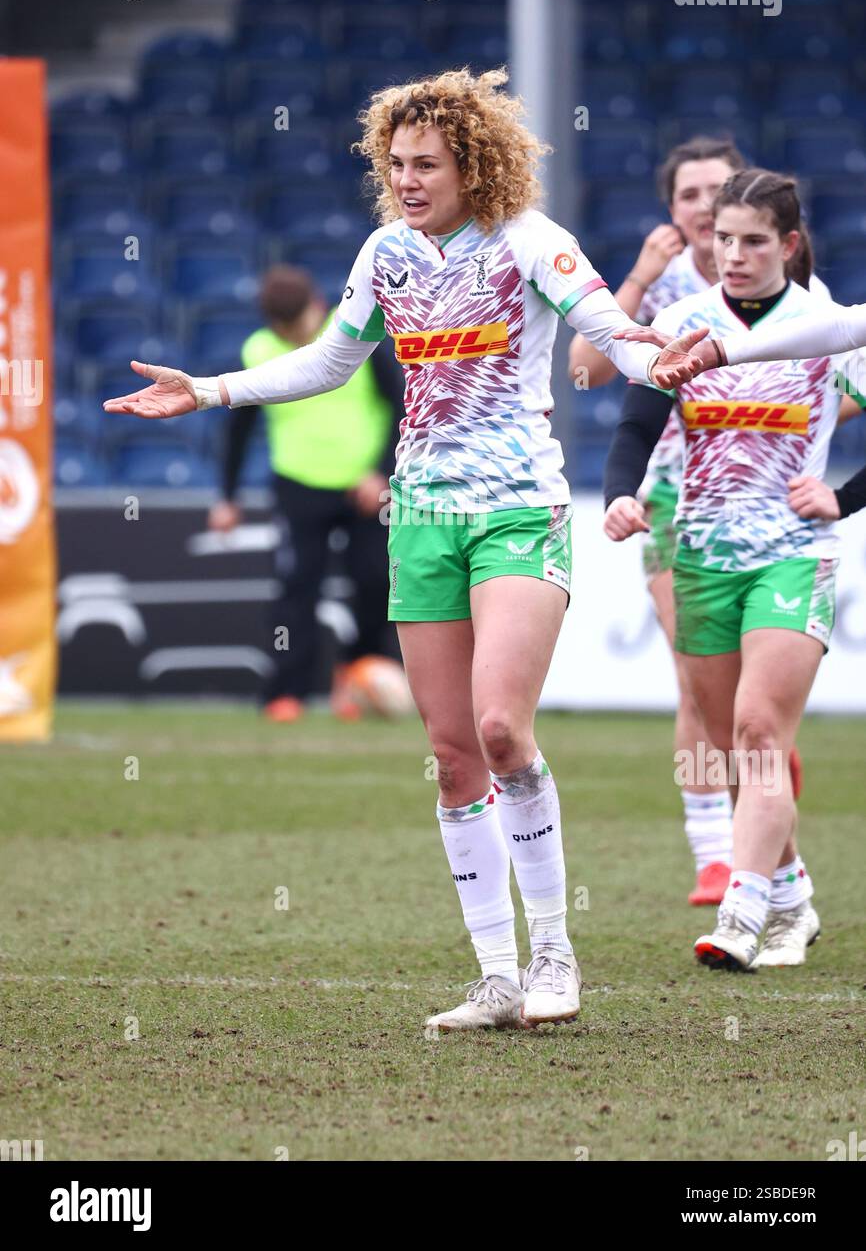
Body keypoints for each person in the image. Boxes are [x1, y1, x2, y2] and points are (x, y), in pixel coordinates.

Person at [104, 66, 697, 1031]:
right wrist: (209, 389)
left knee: (503, 731)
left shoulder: (529, 242)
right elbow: (335, 360)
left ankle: (555, 955)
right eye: (396, 162)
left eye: (427, 162)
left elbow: (608, 334)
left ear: (474, 161)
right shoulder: (386, 255)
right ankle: (497, 976)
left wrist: (656, 352)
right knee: (452, 753)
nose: (408, 178)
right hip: (419, 516)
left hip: (517, 508)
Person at [603, 168, 866, 971]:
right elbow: (635, 422)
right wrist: (621, 495)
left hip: (793, 554)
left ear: (788, 244)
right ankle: (792, 895)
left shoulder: (829, 329)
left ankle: (742, 912)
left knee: (759, 731)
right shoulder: (679, 319)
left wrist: (844, 497)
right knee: (726, 744)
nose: (736, 256)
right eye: (723, 240)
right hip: (700, 558)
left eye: (754, 241)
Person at [570, 138, 750, 905]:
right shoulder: (668, 288)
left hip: (765, 496)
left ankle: (765, 838)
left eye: (718, 191)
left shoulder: (785, 281)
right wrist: (639, 276)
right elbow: (585, 368)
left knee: (753, 698)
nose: (705, 207)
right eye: (689, 196)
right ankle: (713, 848)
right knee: (696, 677)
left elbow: (839, 379)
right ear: (670, 211)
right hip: (677, 493)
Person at [207, 264, 405, 722]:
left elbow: (400, 403)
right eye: (286, 330)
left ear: (317, 306)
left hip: (365, 487)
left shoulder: (356, 331)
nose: (296, 336)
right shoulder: (259, 348)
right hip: (297, 485)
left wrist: (381, 473)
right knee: (297, 590)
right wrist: (227, 497)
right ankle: (285, 693)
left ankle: (358, 683)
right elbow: (239, 429)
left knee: (375, 582)